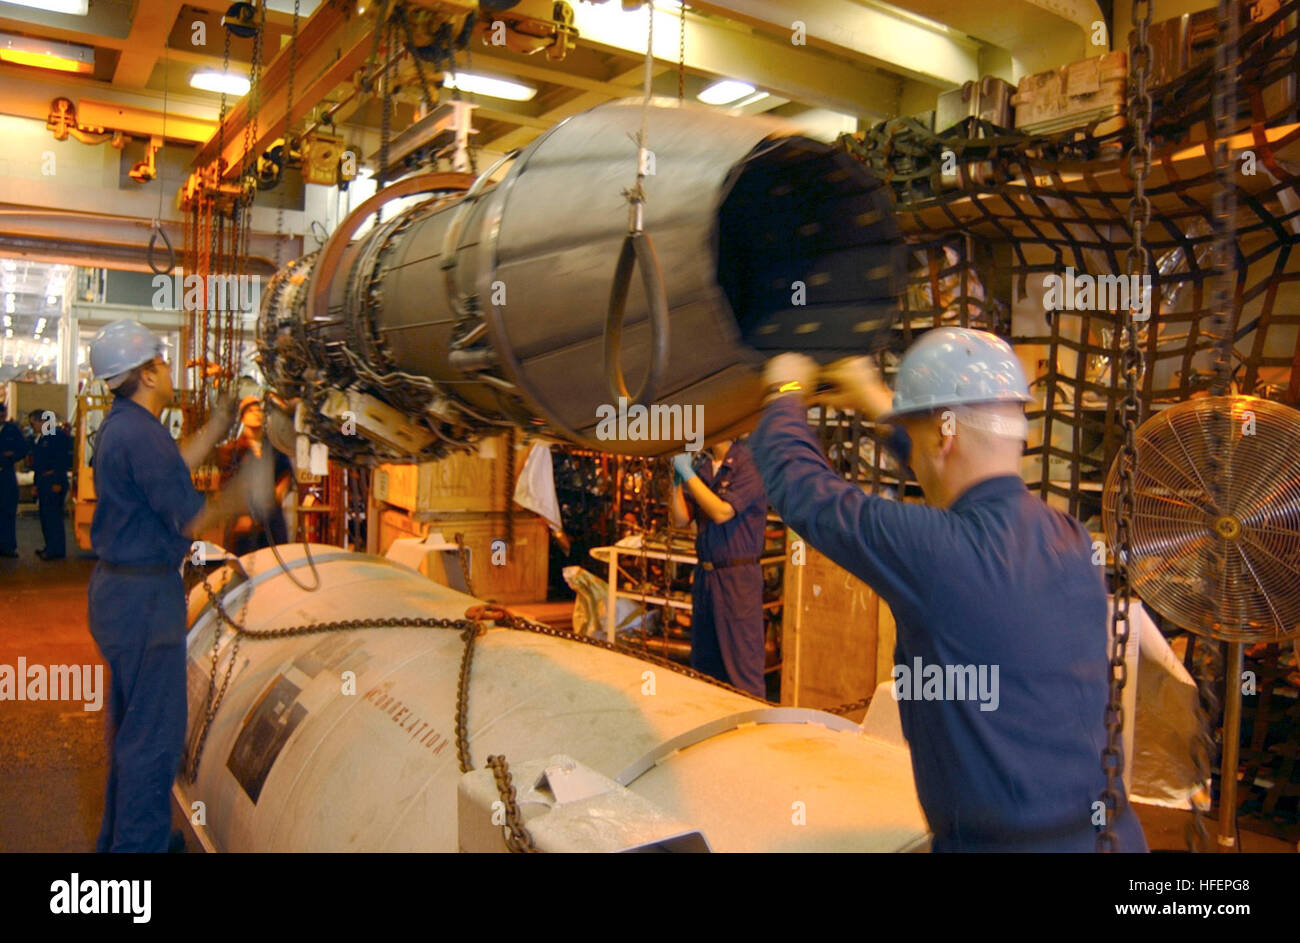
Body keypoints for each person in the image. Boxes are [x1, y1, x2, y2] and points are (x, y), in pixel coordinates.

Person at [749, 327, 1149, 853]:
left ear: (943, 437)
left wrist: (783, 395)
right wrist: (883, 407)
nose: (912, 459)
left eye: (916, 443)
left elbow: (805, 492)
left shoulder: (937, 553)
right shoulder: (1071, 540)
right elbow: (951, 467)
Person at [86, 319, 271, 853]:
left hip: (119, 594)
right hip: (144, 600)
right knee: (153, 740)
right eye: (163, 362)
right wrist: (248, 493)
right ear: (146, 372)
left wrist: (217, 424)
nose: (170, 370)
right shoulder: (139, 434)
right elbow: (190, 517)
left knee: (131, 730)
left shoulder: (126, 426)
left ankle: (122, 843)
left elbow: (171, 468)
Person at [668, 437, 769, 699]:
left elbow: (722, 512)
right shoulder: (703, 469)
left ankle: (749, 729)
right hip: (705, 575)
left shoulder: (749, 464)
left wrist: (688, 475)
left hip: (737, 577)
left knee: (741, 665)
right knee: (704, 664)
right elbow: (679, 519)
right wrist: (677, 481)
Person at [216, 396, 293, 556]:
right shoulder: (233, 450)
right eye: (251, 411)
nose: (256, 414)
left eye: (259, 410)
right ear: (243, 418)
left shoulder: (274, 447)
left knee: (276, 560)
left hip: (272, 517)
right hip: (244, 518)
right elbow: (227, 485)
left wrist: (280, 491)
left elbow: (286, 472)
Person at [27, 409, 75, 560]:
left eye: (33, 423)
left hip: (54, 482)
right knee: (46, 516)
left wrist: (57, 481)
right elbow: (38, 464)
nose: (33, 427)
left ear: (42, 421)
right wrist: (35, 484)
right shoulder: (41, 438)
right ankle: (50, 547)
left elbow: (62, 461)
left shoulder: (57, 436)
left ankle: (56, 550)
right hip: (43, 482)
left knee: (53, 517)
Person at [0, 403, 28, 558]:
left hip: (5, 474)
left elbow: (23, 449)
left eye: (2, 414)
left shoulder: (12, 430)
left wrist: (12, 455)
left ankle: (8, 546)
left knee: (7, 510)